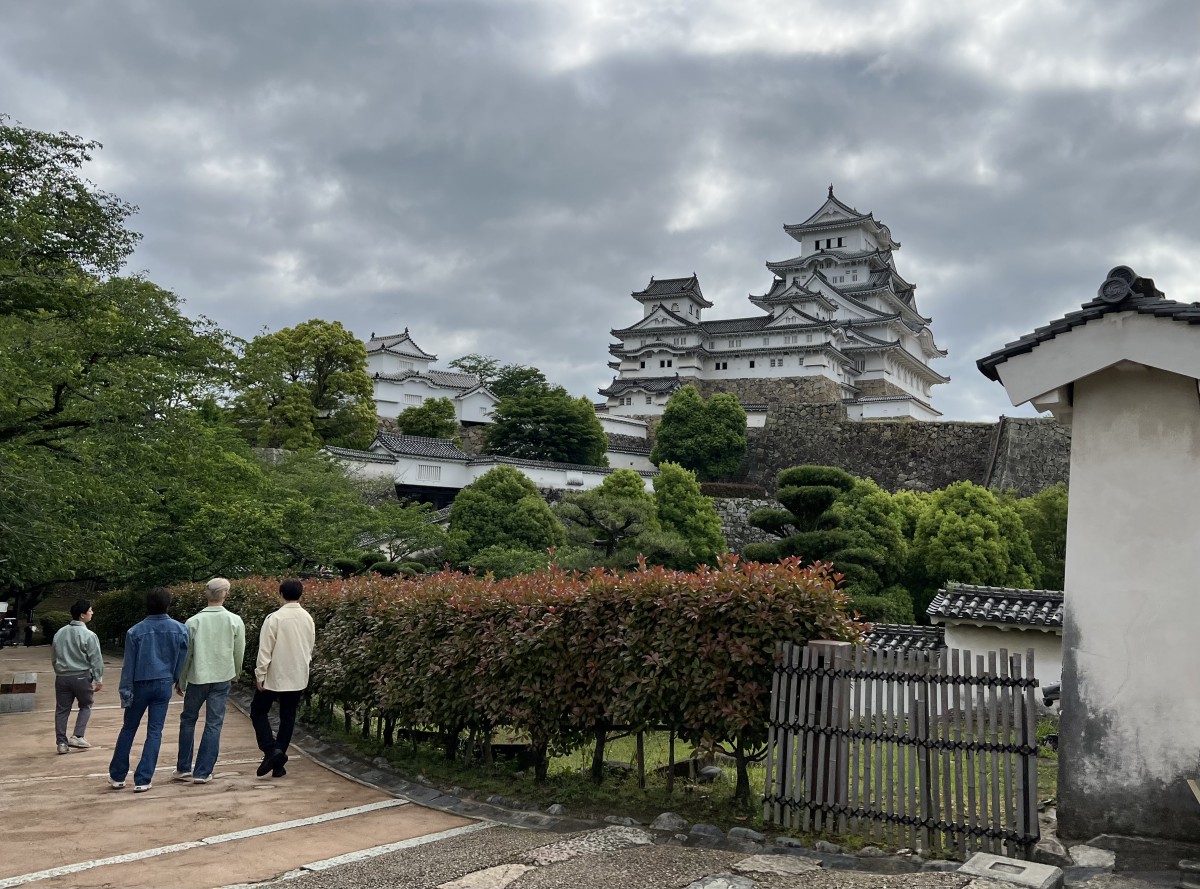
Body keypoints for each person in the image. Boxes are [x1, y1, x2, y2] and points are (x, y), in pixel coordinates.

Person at [108, 587, 188, 792]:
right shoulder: (180, 629)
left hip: (139, 683)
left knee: (128, 728)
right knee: (155, 731)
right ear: (167, 605)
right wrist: (178, 679)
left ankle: (118, 776)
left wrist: (125, 691)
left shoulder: (135, 631)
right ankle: (143, 778)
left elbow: (129, 665)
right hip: (163, 683)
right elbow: (181, 658)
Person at [172, 578, 245, 785]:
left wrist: (181, 680)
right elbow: (238, 652)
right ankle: (203, 771)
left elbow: (187, 656)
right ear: (226, 595)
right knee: (214, 723)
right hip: (222, 677)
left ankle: (183, 767)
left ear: (207, 594)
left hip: (197, 677)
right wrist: (236, 673)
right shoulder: (235, 620)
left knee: (188, 720)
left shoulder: (193, 622)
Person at [250, 578, 315, 778]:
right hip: (297, 674)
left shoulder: (274, 618)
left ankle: (271, 750)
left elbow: (265, 650)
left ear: (280, 594)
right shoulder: (308, 618)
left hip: (274, 674)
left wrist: (260, 674)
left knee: (258, 711)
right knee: (288, 717)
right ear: (301, 595)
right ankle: (278, 762)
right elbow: (310, 647)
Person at [51, 600, 104, 754]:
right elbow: (96, 659)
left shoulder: (60, 632)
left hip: (62, 676)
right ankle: (78, 735)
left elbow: (54, 657)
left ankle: (61, 743)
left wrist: (58, 670)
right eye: (90, 610)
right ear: (82, 615)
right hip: (81, 675)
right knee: (86, 705)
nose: (92, 612)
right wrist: (98, 678)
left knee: (62, 710)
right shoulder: (89, 635)